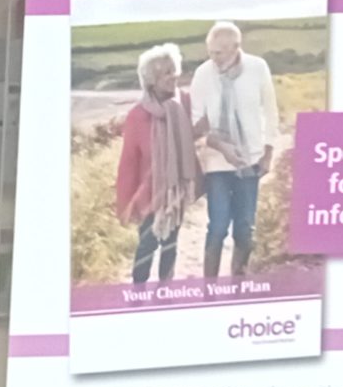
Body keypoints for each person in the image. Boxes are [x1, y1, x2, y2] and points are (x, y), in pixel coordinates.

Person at [188, 19, 280, 278]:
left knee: (245, 228)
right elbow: (197, 126)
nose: (213, 57)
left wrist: (268, 152)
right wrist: (220, 145)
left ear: (234, 47)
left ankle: (238, 284)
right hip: (217, 161)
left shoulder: (257, 68)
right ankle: (210, 290)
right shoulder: (203, 74)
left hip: (249, 158)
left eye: (218, 52)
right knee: (217, 226)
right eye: (210, 51)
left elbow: (271, 113)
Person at [113, 42, 198, 283]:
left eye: (174, 70)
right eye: (166, 73)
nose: (173, 77)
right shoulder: (137, 116)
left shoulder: (183, 105)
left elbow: (193, 138)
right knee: (147, 245)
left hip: (175, 191)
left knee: (171, 244)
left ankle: (166, 292)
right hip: (148, 194)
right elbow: (128, 162)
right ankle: (138, 293)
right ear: (151, 80)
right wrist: (125, 202)